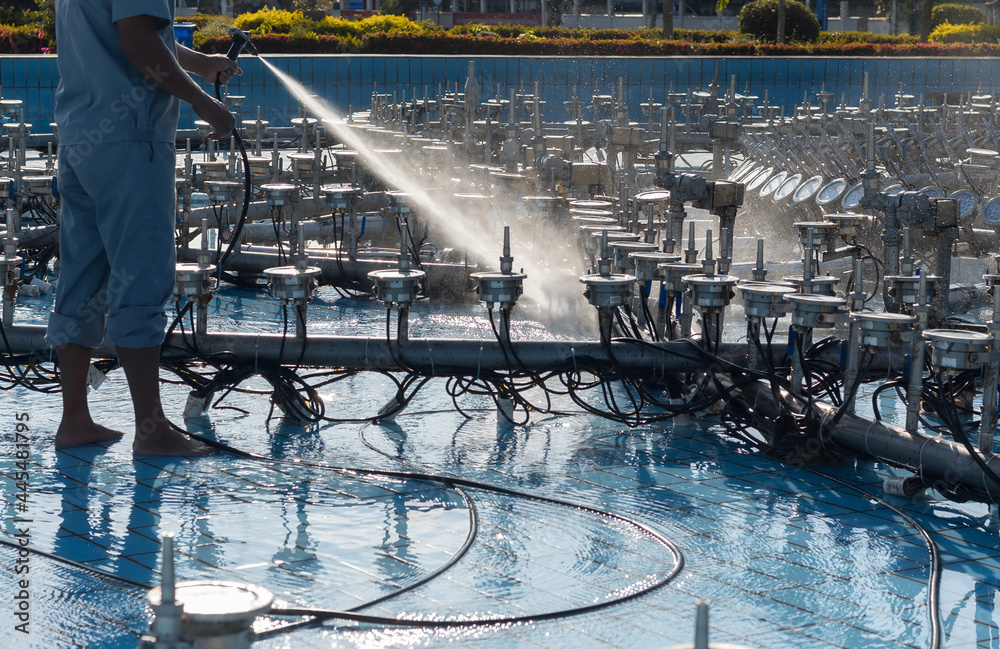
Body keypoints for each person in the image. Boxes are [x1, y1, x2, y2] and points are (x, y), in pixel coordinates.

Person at [45, 0, 240, 455]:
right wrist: (204, 103)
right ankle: (152, 432)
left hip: (80, 139)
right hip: (129, 141)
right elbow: (137, 41)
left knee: (80, 281)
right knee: (140, 277)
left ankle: (75, 421)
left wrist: (201, 63)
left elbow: (134, 31)